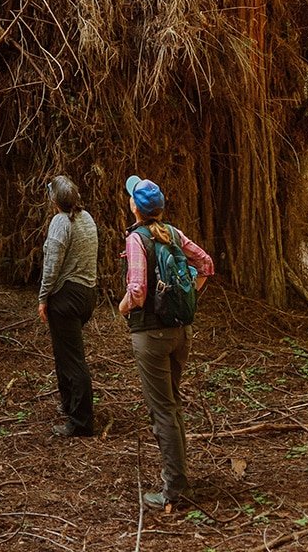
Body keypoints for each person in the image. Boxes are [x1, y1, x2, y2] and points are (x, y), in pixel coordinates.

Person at [117, 175, 213, 509]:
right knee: (171, 405)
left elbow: (138, 291)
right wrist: (187, 298)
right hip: (180, 331)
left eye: (131, 198)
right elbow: (205, 264)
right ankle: (178, 477)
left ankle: (176, 490)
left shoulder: (137, 239)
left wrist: (123, 306)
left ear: (136, 207)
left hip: (151, 335)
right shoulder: (174, 234)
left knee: (162, 411)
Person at [38, 174, 98, 439]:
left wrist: (43, 297)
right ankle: (69, 406)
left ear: (55, 200)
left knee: (72, 359)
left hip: (66, 296)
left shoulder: (60, 222)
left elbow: (52, 265)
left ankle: (81, 422)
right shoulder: (87, 219)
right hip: (87, 294)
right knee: (65, 353)